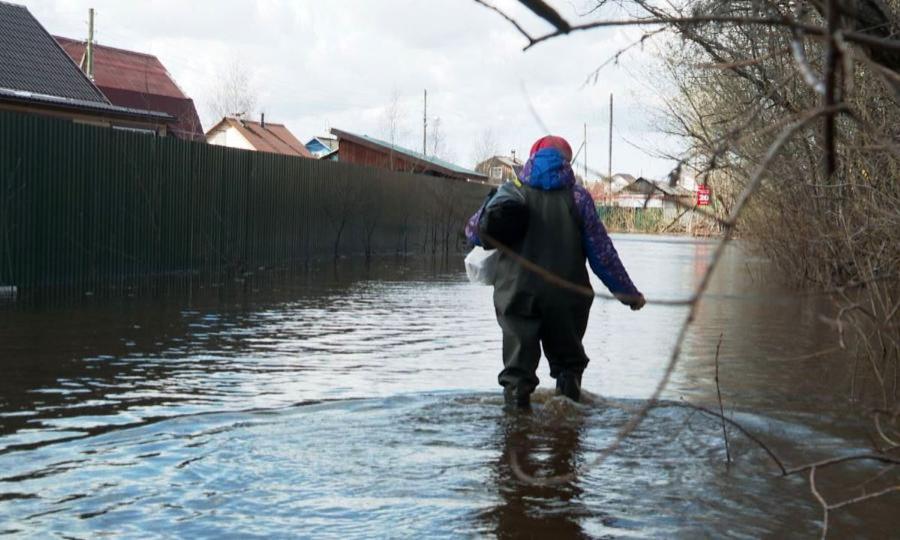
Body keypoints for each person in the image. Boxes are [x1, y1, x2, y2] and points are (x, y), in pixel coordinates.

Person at [466, 135, 645, 409]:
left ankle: (515, 437)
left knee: (517, 374)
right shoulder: (578, 198)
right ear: (566, 161)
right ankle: (567, 435)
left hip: (516, 296)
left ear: (531, 158)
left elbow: (474, 232)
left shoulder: (511, 191)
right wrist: (629, 295)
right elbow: (603, 255)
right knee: (568, 367)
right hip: (567, 299)